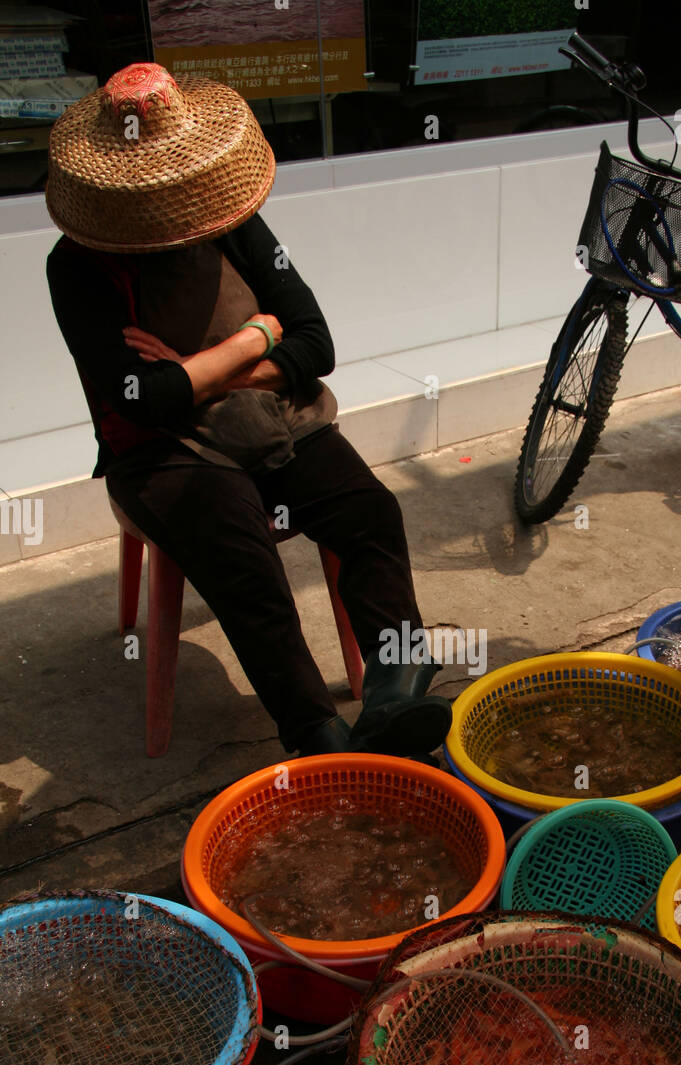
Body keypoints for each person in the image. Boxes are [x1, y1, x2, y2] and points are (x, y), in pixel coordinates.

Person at [45, 61, 452, 759]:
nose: (172, 215)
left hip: (274, 419)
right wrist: (259, 336)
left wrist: (214, 362)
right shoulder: (76, 268)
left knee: (369, 512)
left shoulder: (230, 221)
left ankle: (395, 688)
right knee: (245, 561)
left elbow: (315, 343)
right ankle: (314, 733)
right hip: (163, 451)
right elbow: (149, 401)